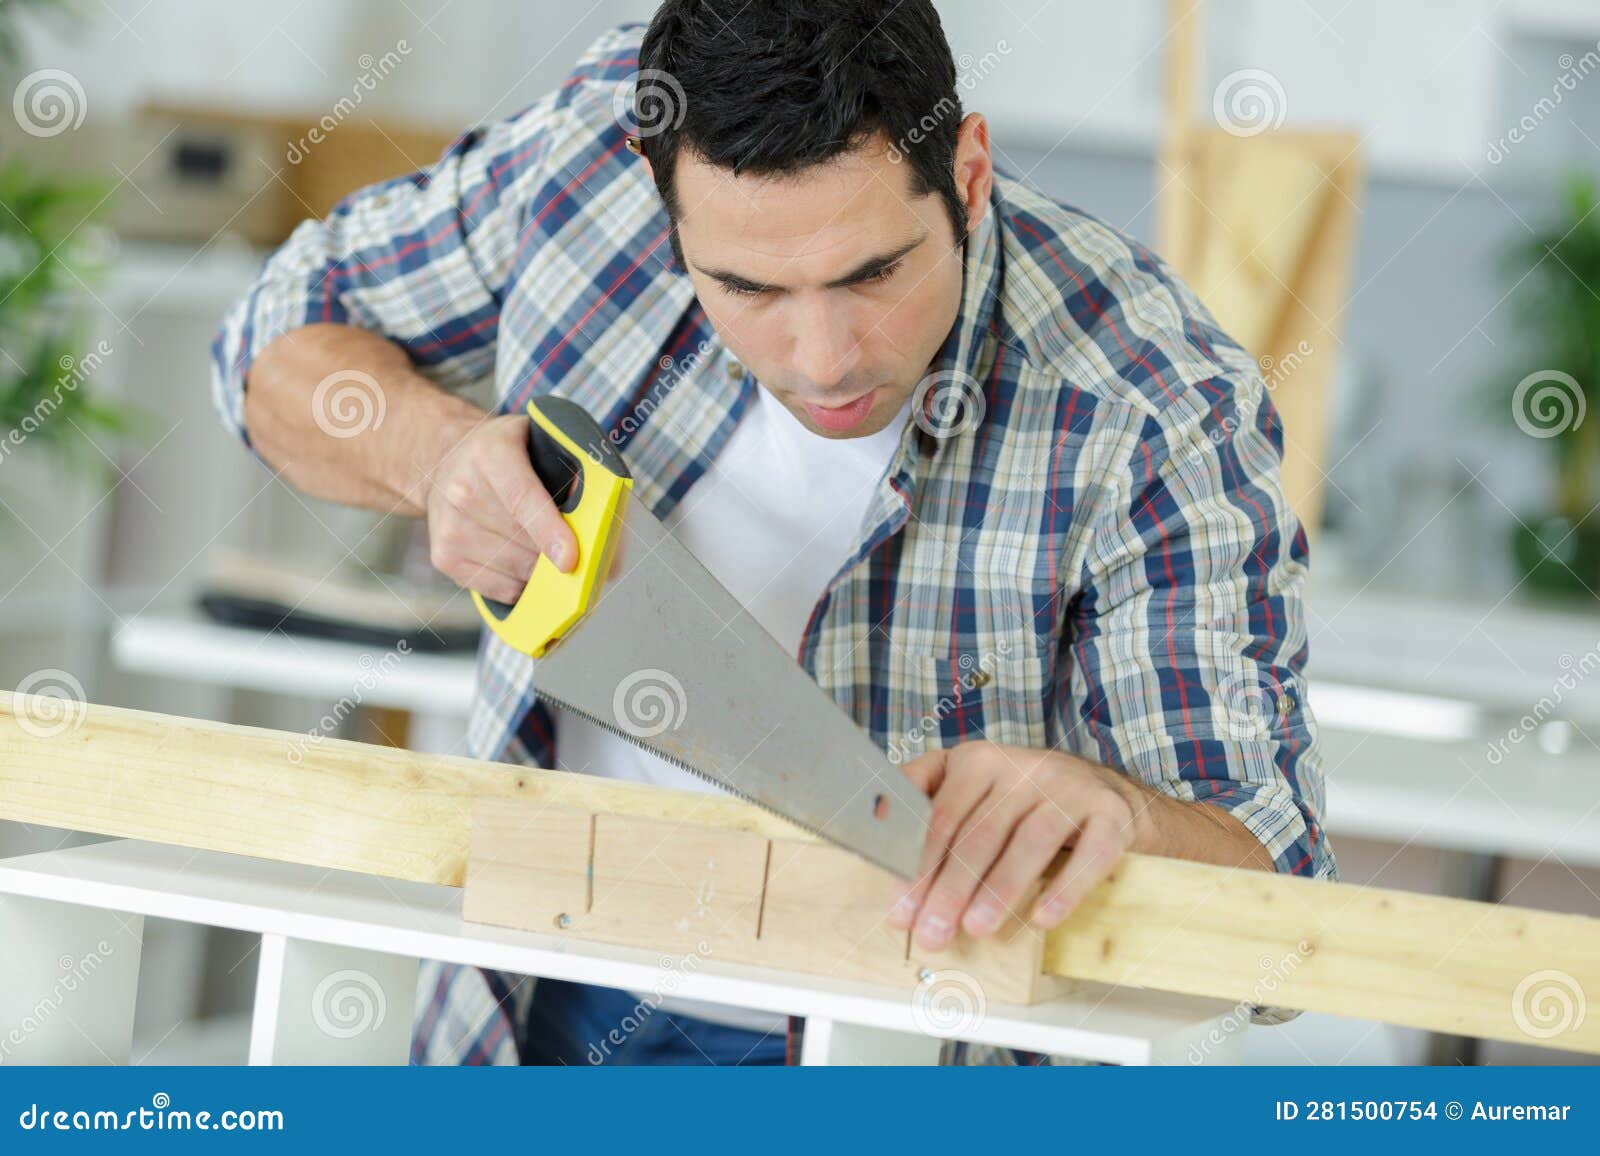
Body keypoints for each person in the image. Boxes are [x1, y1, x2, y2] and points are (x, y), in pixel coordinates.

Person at [212, 0, 1334, 1066]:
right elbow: (269, 341)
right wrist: (437, 455)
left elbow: (1275, 900)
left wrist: (1123, 813)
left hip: (915, 1051)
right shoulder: (588, 157)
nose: (822, 356)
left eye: (874, 272)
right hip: (526, 1005)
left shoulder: (1152, 404)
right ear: (661, 208)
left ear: (970, 173)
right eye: (746, 286)